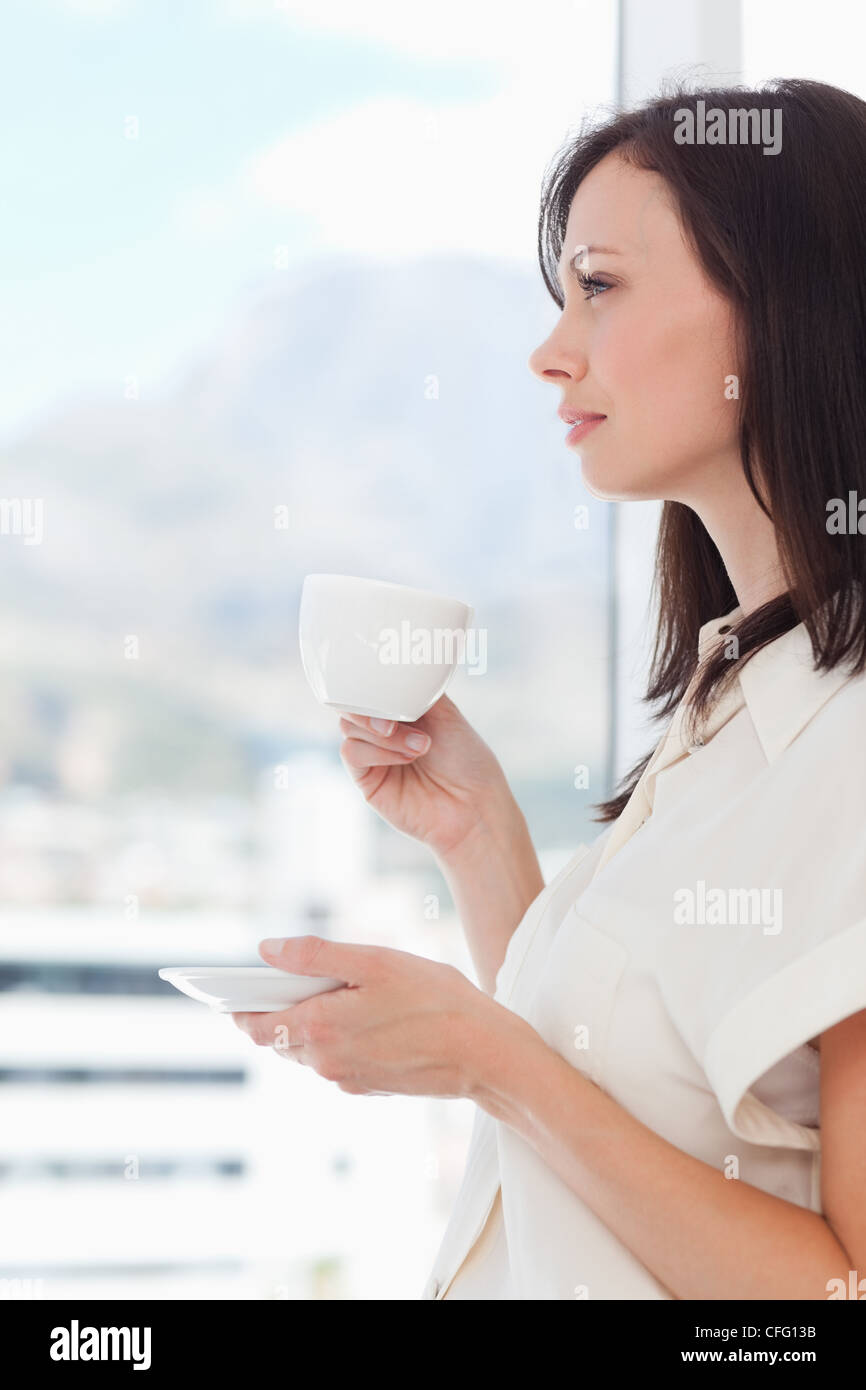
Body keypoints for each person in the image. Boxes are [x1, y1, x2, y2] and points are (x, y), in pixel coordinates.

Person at [233, 79, 866, 1300]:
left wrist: (490, 1064)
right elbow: (637, 1086)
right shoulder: (738, 712)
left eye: (602, 285)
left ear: (784, 303)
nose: (549, 347)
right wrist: (479, 841)